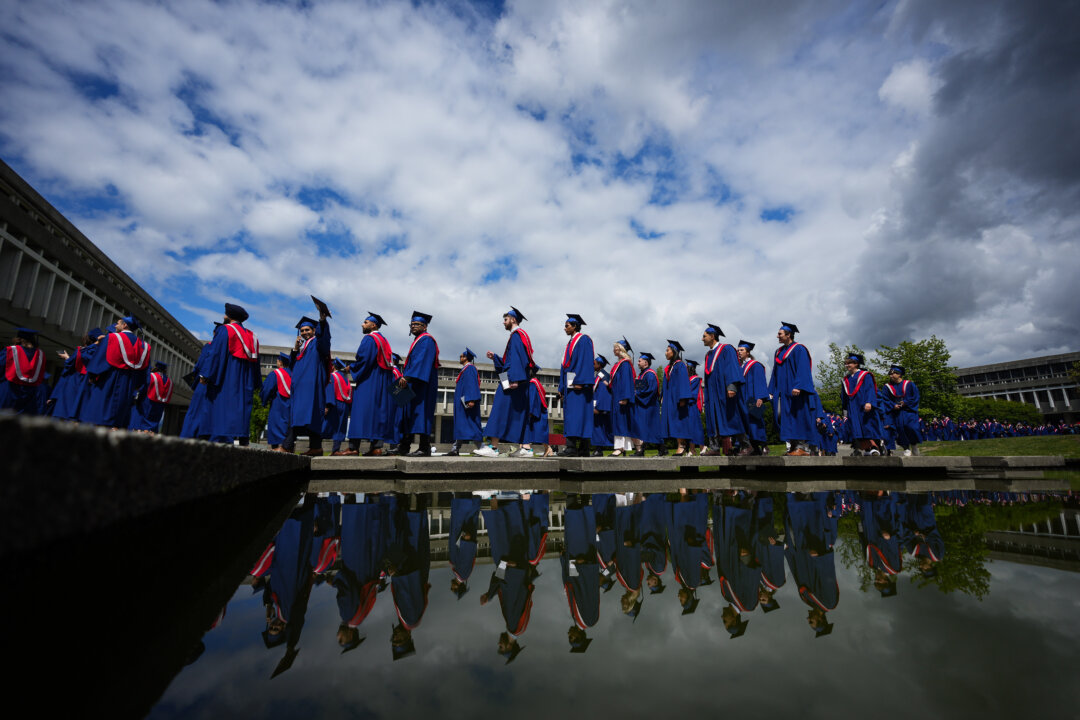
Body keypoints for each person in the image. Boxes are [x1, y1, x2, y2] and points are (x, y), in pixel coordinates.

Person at [477, 307, 536, 457]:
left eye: (505, 320)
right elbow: (512, 360)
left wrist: (514, 379)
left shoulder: (517, 335)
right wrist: (495, 358)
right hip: (518, 380)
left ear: (513, 320)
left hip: (512, 380)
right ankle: (527, 448)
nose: (503, 323)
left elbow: (517, 358)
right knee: (520, 414)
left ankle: (494, 447)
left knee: (498, 410)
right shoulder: (521, 336)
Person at [203, 303, 260, 444]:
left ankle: (221, 438)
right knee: (241, 406)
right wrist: (256, 382)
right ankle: (243, 439)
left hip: (228, 375)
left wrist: (206, 374)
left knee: (223, 404)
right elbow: (256, 363)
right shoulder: (252, 336)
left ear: (228, 316)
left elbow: (216, 354)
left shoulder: (225, 330)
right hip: (246, 379)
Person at [82, 316, 151, 429]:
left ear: (125, 325)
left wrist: (93, 375)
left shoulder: (112, 337)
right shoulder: (144, 346)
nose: (115, 325)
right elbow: (144, 370)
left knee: (101, 410)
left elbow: (101, 358)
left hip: (110, 379)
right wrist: (137, 384)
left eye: (118, 323)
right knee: (119, 415)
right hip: (129, 383)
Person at [344, 312, 393, 456]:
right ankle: (376, 447)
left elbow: (364, 360)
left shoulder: (369, 339)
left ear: (374, 325)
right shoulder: (384, 341)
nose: (362, 324)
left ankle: (353, 448)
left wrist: (352, 368)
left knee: (360, 412)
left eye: (365, 322)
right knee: (378, 413)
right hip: (382, 382)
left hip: (369, 380)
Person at [767, 322, 817, 456]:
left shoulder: (799, 349)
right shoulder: (778, 351)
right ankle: (793, 446)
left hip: (795, 391)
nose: (777, 336)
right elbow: (775, 372)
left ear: (788, 335)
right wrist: (771, 390)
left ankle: (801, 447)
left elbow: (803, 368)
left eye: (780, 334)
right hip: (782, 390)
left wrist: (798, 386)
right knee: (781, 416)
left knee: (797, 416)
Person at [290, 309, 332, 456]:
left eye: (307, 329)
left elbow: (324, 340)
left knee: (310, 414)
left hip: (311, 386)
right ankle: (314, 446)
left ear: (314, 330)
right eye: (302, 330)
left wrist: (322, 321)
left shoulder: (317, 343)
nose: (304, 332)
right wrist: (295, 349)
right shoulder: (304, 348)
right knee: (300, 415)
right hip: (301, 387)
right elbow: (292, 367)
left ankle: (289, 445)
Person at [398, 311, 439, 456]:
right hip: (414, 383)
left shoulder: (427, 340)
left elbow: (421, 361)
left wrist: (408, 377)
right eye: (412, 324)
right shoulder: (418, 340)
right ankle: (404, 446)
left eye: (417, 324)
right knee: (408, 414)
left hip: (422, 384)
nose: (413, 326)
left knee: (422, 414)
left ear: (425, 326)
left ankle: (424, 447)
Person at [701, 323, 745, 456]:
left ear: (713, 336)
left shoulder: (726, 349)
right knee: (712, 418)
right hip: (712, 393)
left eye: (704, 336)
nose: (702, 339)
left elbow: (732, 367)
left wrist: (731, 386)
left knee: (731, 417)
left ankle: (745, 445)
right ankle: (714, 447)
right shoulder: (708, 354)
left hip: (724, 391)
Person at [558, 314, 594, 456]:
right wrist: (561, 387)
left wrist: (581, 381)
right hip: (570, 384)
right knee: (573, 415)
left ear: (574, 326)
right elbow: (564, 367)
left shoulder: (583, 339)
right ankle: (579, 448)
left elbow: (586, 361)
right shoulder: (570, 343)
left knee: (580, 415)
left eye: (567, 325)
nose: (564, 328)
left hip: (579, 384)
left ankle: (576, 448)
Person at [50, 328, 104, 421]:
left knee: (65, 411)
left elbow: (70, 364)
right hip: (88, 385)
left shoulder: (81, 351)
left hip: (73, 382)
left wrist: (67, 357)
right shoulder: (100, 354)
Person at [659, 340, 697, 456]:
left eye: (667, 350)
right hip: (670, 399)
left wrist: (683, 398)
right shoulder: (669, 367)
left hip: (678, 399)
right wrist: (662, 397)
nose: (665, 353)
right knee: (674, 422)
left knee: (679, 422)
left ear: (674, 352)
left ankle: (682, 446)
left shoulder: (680, 365)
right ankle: (679, 445)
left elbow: (683, 382)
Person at [841, 354, 884, 456]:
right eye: (846, 363)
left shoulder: (866, 375)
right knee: (855, 428)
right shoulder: (845, 379)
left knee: (867, 425)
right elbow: (844, 395)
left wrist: (869, 402)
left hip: (864, 405)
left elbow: (870, 389)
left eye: (849, 363)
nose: (847, 365)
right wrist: (845, 410)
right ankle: (863, 448)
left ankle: (875, 447)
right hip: (852, 407)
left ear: (856, 364)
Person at [0, 327, 48, 414]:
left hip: (9, 389)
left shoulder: (11, 350)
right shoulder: (40, 354)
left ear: (19, 339)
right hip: (29, 394)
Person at [881, 365, 922, 456]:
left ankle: (914, 445)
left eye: (894, 373)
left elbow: (915, 397)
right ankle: (906, 448)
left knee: (912, 427)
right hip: (896, 412)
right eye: (890, 374)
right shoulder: (887, 387)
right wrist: (893, 405)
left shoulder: (909, 384)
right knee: (900, 429)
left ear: (899, 374)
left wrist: (906, 402)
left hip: (909, 411)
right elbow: (885, 399)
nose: (891, 375)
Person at [448, 348, 483, 456]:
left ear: (466, 358)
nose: (460, 357)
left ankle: (482, 448)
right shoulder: (465, 369)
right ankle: (455, 449)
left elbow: (472, 384)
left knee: (471, 424)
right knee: (461, 425)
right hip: (463, 402)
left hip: (467, 402)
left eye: (461, 356)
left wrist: (471, 399)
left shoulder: (470, 368)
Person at [736, 341, 769, 455]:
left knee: (755, 422)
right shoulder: (740, 367)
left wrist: (760, 397)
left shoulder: (755, 365)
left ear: (748, 352)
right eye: (738, 350)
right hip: (742, 399)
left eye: (741, 350)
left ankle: (763, 445)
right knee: (746, 423)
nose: (739, 352)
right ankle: (753, 447)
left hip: (752, 398)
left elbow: (760, 382)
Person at [260, 352, 294, 451]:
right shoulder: (293, 375)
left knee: (276, 424)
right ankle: (287, 447)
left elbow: (266, 389)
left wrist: (264, 401)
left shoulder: (276, 374)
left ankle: (277, 448)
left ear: (280, 362)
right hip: (292, 407)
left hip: (278, 404)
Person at [609, 338, 636, 456]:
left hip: (621, 397)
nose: (614, 349)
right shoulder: (619, 364)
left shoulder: (625, 364)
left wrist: (625, 397)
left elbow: (626, 381)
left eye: (616, 347)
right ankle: (621, 447)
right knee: (618, 421)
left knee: (621, 421)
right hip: (616, 396)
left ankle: (620, 447)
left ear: (621, 349)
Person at [129, 361, 172, 433]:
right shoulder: (169, 381)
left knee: (139, 423)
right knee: (152, 427)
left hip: (147, 403)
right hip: (159, 408)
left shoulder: (151, 376)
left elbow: (142, 389)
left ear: (155, 368)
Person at [632, 352, 662, 456]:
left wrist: (636, 394)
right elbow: (640, 389)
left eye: (639, 361)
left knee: (651, 427)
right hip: (643, 405)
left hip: (650, 405)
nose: (637, 362)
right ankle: (642, 450)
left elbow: (651, 390)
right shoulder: (642, 374)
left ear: (646, 362)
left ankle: (661, 449)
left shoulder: (650, 374)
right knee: (645, 428)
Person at [325, 359, 353, 455]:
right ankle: (336, 450)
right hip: (345, 405)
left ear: (333, 366)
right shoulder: (346, 380)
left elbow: (330, 390)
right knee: (340, 428)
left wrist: (327, 405)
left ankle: (316, 446)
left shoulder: (332, 376)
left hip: (334, 403)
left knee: (327, 425)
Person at [591, 354, 614, 456]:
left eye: (594, 363)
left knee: (600, 428)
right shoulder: (599, 375)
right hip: (597, 405)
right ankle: (598, 449)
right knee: (598, 428)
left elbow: (604, 392)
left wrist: (599, 408)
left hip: (600, 407)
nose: (593, 365)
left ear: (599, 365)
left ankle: (599, 450)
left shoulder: (603, 376)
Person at [685, 359, 705, 455]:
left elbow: (693, 394)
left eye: (686, 367)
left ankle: (702, 448)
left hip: (693, 406)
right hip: (687, 406)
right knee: (689, 428)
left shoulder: (695, 379)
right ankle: (692, 450)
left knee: (696, 427)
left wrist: (683, 400)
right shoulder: (687, 379)